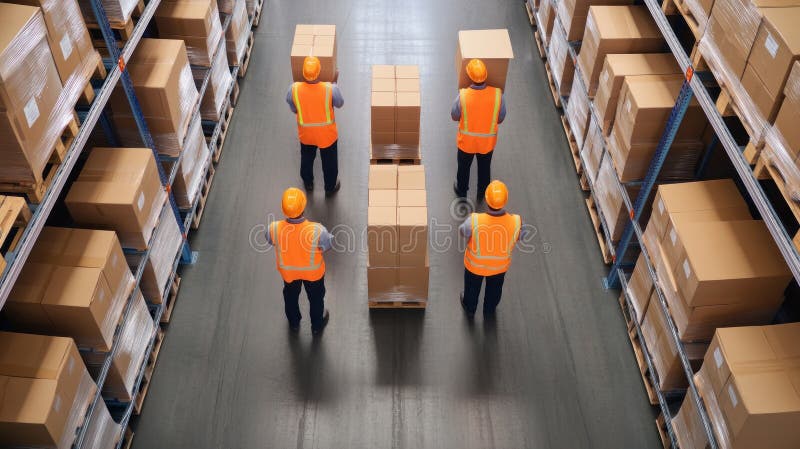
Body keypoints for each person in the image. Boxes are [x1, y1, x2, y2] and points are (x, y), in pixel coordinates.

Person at [267, 187, 332, 334]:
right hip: (313, 275)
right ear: (303, 207)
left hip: (289, 274)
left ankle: (294, 323)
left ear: (283, 209)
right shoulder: (317, 230)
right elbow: (327, 246)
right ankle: (316, 326)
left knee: (290, 297)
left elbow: (270, 240)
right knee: (316, 299)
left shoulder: (274, 228)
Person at [459, 180, 526, 318]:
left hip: (475, 266)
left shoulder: (475, 220)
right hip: (499, 267)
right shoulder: (516, 221)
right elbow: (522, 236)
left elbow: (463, 231)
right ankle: (489, 309)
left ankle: (470, 307)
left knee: (472, 289)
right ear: (505, 201)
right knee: (494, 290)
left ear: (487, 200)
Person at [286, 56, 343, 196]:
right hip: (327, 135)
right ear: (319, 72)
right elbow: (340, 103)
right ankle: (330, 188)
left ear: (303, 73)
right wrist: (335, 82)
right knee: (329, 163)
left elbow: (293, 108)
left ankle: (308, 182)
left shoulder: (293, 89)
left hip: (306, 134)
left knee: (306, 158)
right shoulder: (330, 89)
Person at [451, 58, 507, 201]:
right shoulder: (497, 94)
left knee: (463, 167)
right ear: (486, 75)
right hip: (487, 143)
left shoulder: (463, 95)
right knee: (484, 168)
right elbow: (500, 118)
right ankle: (483, 192)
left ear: (469, 76)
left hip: (467, 143)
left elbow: (454, 115)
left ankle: (462, 190)